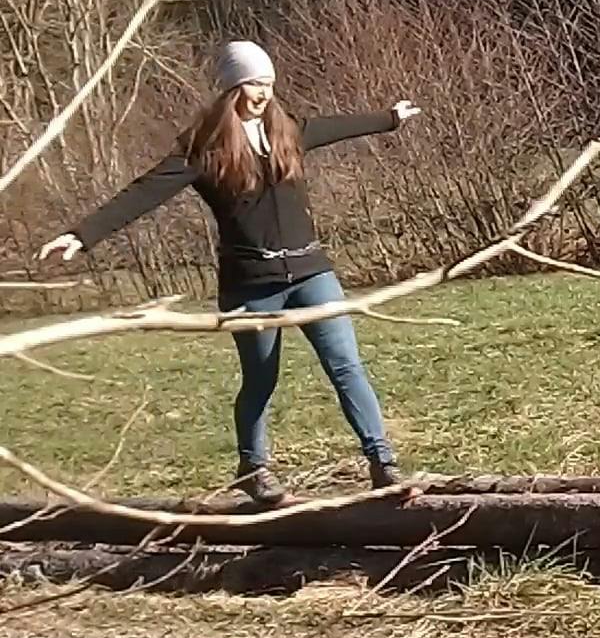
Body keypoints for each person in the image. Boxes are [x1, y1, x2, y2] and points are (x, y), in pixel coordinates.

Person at [38, 40, 423, 506]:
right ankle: (253, 468)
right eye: (253, 84)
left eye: (268, 83)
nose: (263, 93)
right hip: (252, 285)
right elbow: (143, 192)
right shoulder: (204, 149)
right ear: (231, 88)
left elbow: (340, 126)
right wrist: (83, 234)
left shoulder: (289, 130)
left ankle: (382, 464)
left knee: (346, 365)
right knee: (261, 379)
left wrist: (390, 117)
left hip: (310, 272)